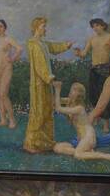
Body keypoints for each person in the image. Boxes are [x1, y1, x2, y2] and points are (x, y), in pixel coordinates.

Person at [23, 16, 74, 152]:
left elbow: (53, 47)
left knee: (47, 110)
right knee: (39, 111)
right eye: (43, 26)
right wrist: (49, 77)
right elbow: (39, 65)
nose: (45, 29)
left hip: (46, 82)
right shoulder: (33, 44)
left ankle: (45, 142)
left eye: (45, 26)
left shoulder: (42, 43)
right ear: (36, 28)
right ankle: (33, 144)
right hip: (39, 83)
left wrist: (65, 46)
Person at [77, 18, 110, 132]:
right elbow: (84, 53)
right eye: (93, 26)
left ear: (103, 26)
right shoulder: (92, 39)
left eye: (97, 26)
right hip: (94, 69)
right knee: (93, 95)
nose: (95, 28)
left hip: (105, 69)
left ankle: (106, 124)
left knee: (106, 96)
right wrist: (79, 53)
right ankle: (96, 117)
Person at [0, 19, 23, 128]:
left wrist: (13, 58)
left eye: (1, 26)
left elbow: (20, 49)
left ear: (5, 28)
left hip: (6, 68)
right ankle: (3, 120)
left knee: (4, 94)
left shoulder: (8, 39)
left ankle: (12, 120)